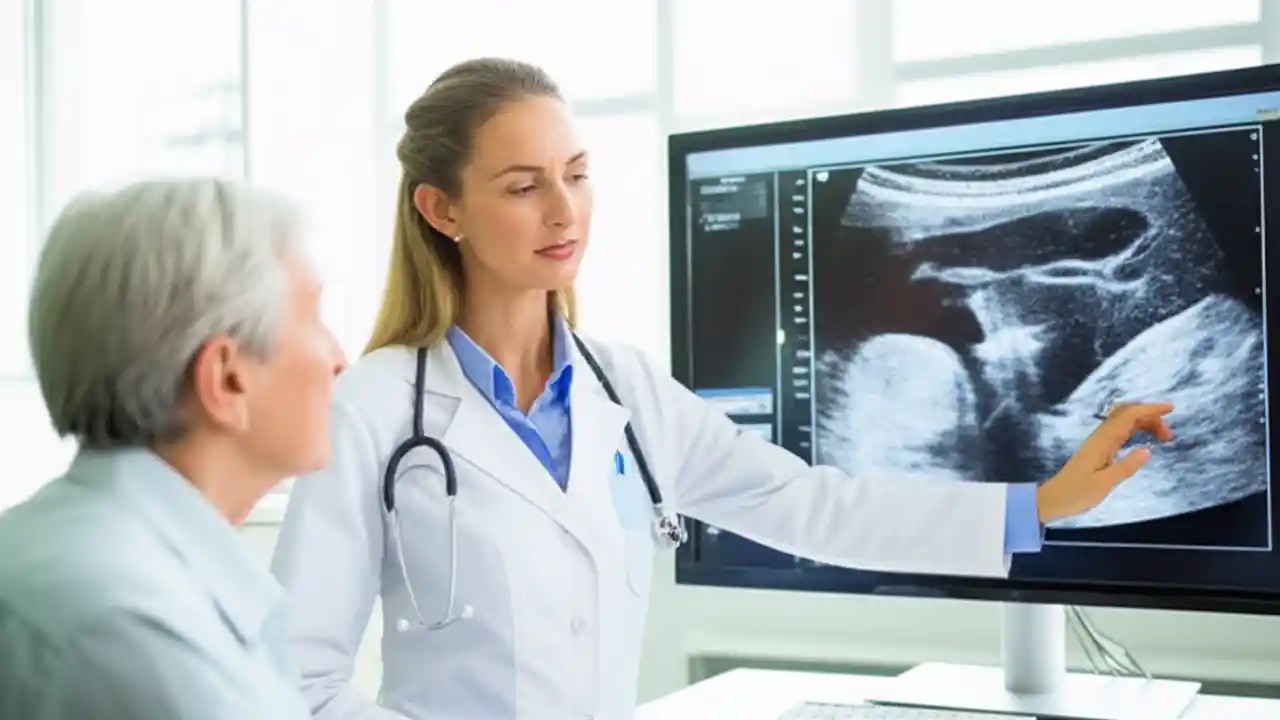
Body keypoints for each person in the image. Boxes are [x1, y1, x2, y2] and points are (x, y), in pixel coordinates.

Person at [270, 58, 1174, 719]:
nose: (564, 211)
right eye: (522, 186)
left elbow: (813, 507)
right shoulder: (373, 411)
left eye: (577, 175)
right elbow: (297, 684)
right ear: (442, 210)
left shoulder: (624, 389)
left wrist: (1039, 504)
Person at [0, 178, 347, 719]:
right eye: (314, 321)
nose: (339, 359)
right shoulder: (132, 630)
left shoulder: (67, 549)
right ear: (226, 379)